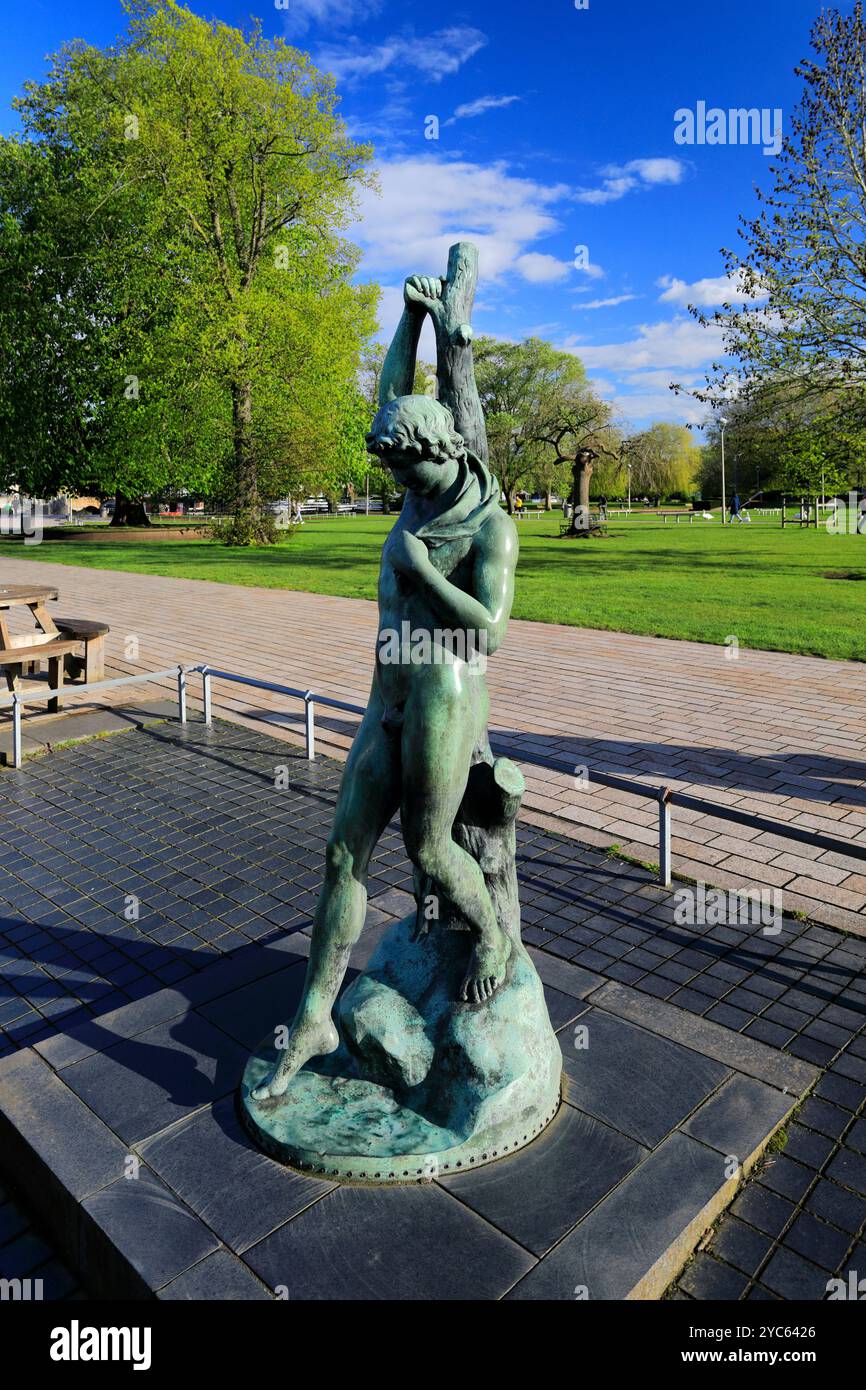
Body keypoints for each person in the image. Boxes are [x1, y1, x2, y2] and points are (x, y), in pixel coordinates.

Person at [252, 275, 518, 1101]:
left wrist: (419, 572)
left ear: (439, 452)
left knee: (431, 851)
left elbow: (491, 631)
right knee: (341, 852)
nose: (393, 478)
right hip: (387, 693)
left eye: (404, 464)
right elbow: (390, 393)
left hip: (446, 689)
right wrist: (408, 318)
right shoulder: (415, 479)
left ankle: (492, 940)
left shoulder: (489, 524)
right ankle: (314, 1019)